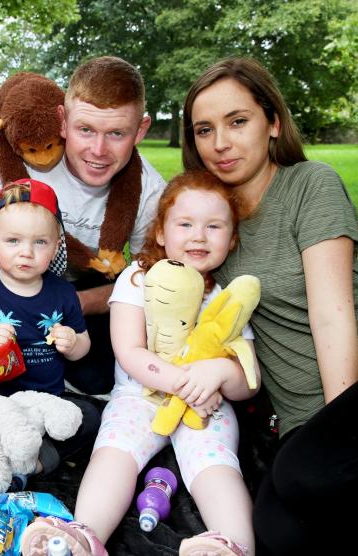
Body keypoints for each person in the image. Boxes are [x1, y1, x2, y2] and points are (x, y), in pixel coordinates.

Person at [182, 57, 358, 555]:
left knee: (307, 473)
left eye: (237, 121)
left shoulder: (309, 183)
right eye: (204, 129)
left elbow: (332, 314)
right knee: (276, 530)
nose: (220, 142)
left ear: (273, 124)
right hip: (304, 419)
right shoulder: (206, 224)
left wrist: (335, 433)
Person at [20, 170, 260, 556]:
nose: (199, 236)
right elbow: (130, 352)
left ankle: (232, 545)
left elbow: (247, 381)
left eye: (214, 227)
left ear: (231, 240)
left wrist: (218, 373)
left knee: (216, 466)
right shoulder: (138, 277)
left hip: (205, 406)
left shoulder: (226, 299)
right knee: (114, 453)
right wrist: (187, 383)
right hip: (139, 397)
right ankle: (84, 535)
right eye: (185, 224)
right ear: (162, 232)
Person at [0, 56, 167, 396]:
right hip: (12, 280)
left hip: (86, 293)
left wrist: (68, 304)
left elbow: (147, 276)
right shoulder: (24, 154)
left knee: (99, 377)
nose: (98, 150)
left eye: (117, 133)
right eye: (85, 130)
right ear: (62, 119)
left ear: (141, 130)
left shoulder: (147, 187)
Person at [0, 178, 100, 528]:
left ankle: (23, 468)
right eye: (13, 241)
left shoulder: (63, 294)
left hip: (43, 405)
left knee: (87, 417)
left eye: (39, 242)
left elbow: (83, 347)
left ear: (57, 246)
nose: (26, 252)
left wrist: (73, 342)